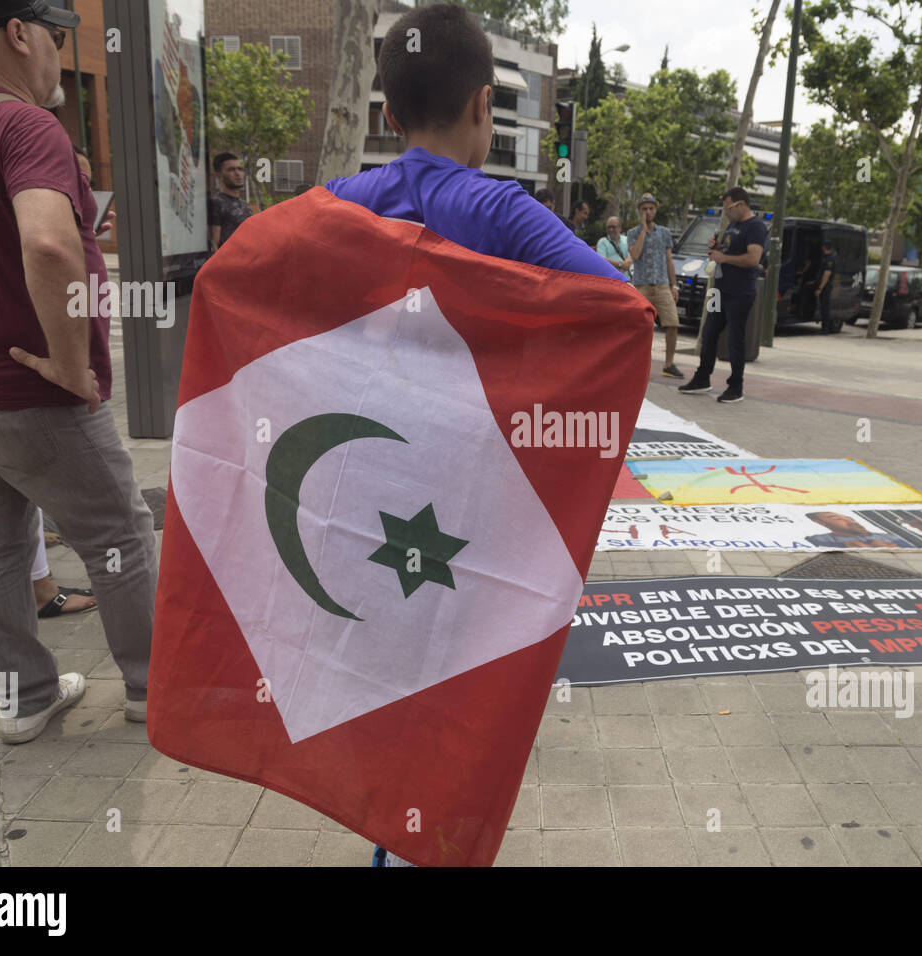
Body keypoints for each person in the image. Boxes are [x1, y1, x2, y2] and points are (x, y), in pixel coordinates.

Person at [321, 2, 625, 867]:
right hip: (466, 499)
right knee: (451, 695)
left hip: (364, 483)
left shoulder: (338, 204)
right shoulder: (506, 213)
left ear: (387, 116)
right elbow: (619, 309)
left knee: (388, 682)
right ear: (485, 105)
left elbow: (252, 278)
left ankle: (391, 838)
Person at [0, 0, 159, 742]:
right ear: (20, 34)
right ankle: (156, 688)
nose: (58, 52)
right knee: (121, 533)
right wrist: (66, 358)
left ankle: (25, 699)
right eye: (56, 36)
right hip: (34, 391)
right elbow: (49, 246)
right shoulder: (24, 126)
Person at [677, 186, 766, 403]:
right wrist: (717, 248)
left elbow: (753, 259)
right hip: (719, 289)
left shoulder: (756, 227)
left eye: (728, 208)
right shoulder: (732, 225)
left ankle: (736, 386)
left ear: (741, 204)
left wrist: (724, 259)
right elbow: (729, 250)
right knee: (709, 333)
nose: (726, 212)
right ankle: (702, 377)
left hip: (739, 292)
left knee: (735, 339)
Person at [626, 193, 682, 378]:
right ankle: (637, 364)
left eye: (651, 208)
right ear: (639, 211)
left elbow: (669, 260)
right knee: (642, 327)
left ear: (656, 210)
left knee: (672, 322)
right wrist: (643, 230)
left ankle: (668, 364)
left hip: (662, 285)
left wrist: (674, 286)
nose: (648, 212)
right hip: (642, 285)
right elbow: (634, 255)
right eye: (644, 209)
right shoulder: (633, 233)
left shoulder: (664, 232)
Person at [207, 151, 253, 251]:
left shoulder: (245, 205)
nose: (238, 173)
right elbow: (213, 243)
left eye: (240, 169)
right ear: (218, 175)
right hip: (228, 262)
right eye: (231, 170)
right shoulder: (216, 203)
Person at [803, 512, 912, 549]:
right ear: (820, 523)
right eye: (836, 518)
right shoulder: (819, 540)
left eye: (850, 518)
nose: (852, 522)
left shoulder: (891, 537)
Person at [596, 216, 631, 281]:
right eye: (608, 227)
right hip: (609, 280)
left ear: (620, 228)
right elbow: (601, 259)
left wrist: (621, 272)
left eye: (613, 227)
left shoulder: (627, 240)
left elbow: (631, 257)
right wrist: (620, 264)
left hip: (626, 280)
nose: (610, 229)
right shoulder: (602, 242)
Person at [814, 238, 837, 333]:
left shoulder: (829, 259)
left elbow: (827, 274)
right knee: (824, 307)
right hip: (825, 286)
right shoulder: (828, 257)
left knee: (825, 307)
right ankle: (824, 328)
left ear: (825, 247)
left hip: (826, 287)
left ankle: (825, 329)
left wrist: (820, 288)